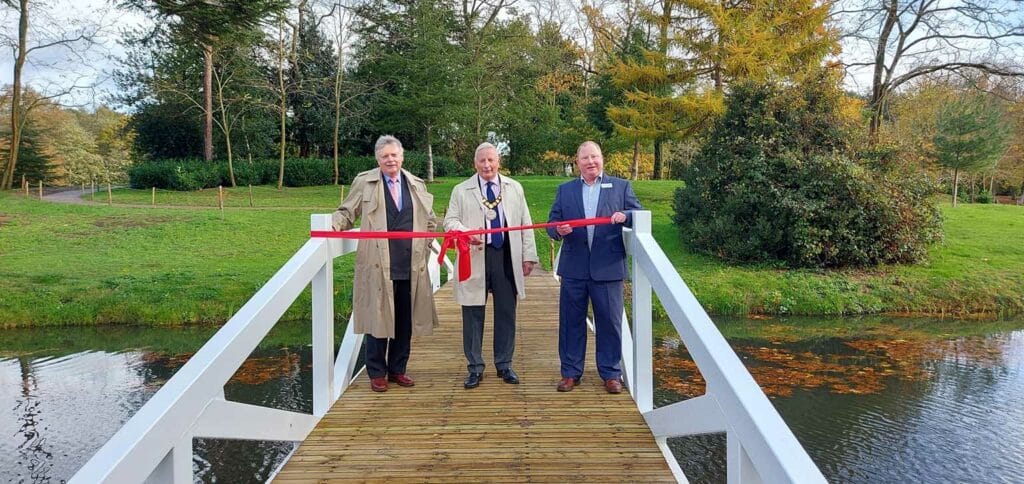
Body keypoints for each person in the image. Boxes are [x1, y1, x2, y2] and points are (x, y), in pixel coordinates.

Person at [332, 135, 439, 393]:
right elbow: (347, 211)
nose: (390, 160)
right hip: (378, 262)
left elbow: (430, 220)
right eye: (385, 156)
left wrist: (425, 247)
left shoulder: (416, 184)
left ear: (401, 157)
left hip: (410, 264)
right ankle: (377, 373)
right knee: (378, 318)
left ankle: (398, 370)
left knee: (405, 320)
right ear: (378, 159)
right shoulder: (365, 182)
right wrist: (332, 225)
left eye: (394, 155)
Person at [547, 141, 642, 394]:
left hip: (608, 268)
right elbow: (551, 223)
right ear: (577, 162)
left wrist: (627, 216)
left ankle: (611, 373)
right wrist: (558, 229)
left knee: (609, 322)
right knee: (570, 323)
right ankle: (570, 372)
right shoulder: (565, 190)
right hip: (574, 268)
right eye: (585, 158)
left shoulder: (621, 187)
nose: (591, 162)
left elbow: (639, 212)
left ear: (602, 159)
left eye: (595, 156)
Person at [444, 142, 539, 389]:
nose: (487, 165)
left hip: (505, 254)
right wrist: (466, 232)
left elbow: (525, 222)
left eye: (491, 160)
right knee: (473, 312)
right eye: (482, 161)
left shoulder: (514, 188)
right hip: (474, 255)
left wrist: (529, 256)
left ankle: (504, 364)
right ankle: (475, 367)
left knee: (507, 311)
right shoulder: (461, 190)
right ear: (474, 164)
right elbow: (450, 221)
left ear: (499, 161)